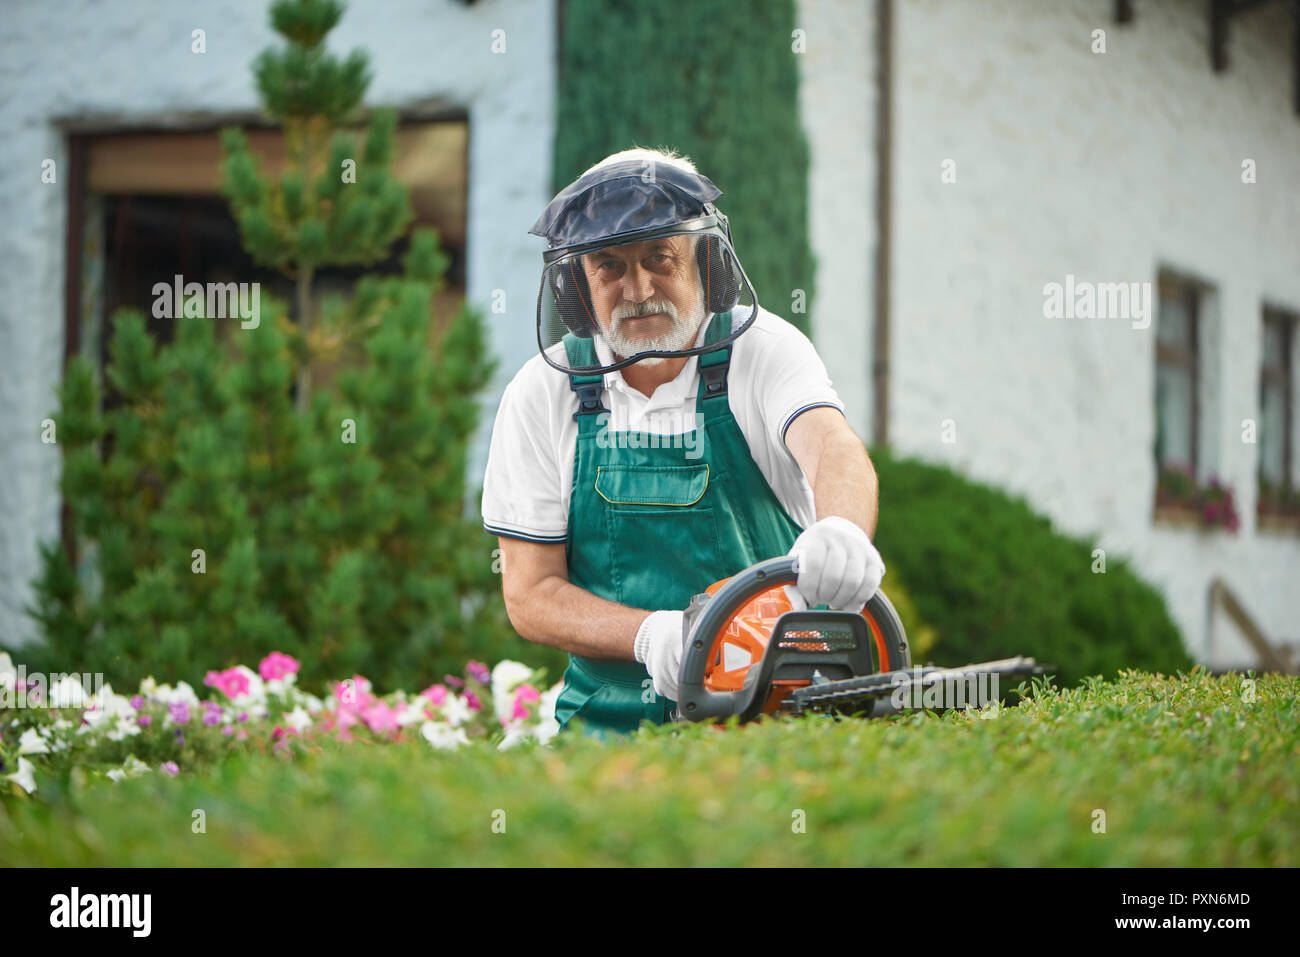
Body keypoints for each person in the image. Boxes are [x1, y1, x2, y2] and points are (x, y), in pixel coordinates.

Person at [481, 147, 885, 737]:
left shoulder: (762, 350)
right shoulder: (543, 393)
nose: (638, 288)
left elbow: (830, 445)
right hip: (606, 729)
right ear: (577, 286)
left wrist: (843, 529)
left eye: (659, 258)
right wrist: (653, 636)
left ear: (706, 265)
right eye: (609, 266)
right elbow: (530, 593)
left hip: (777, 717)